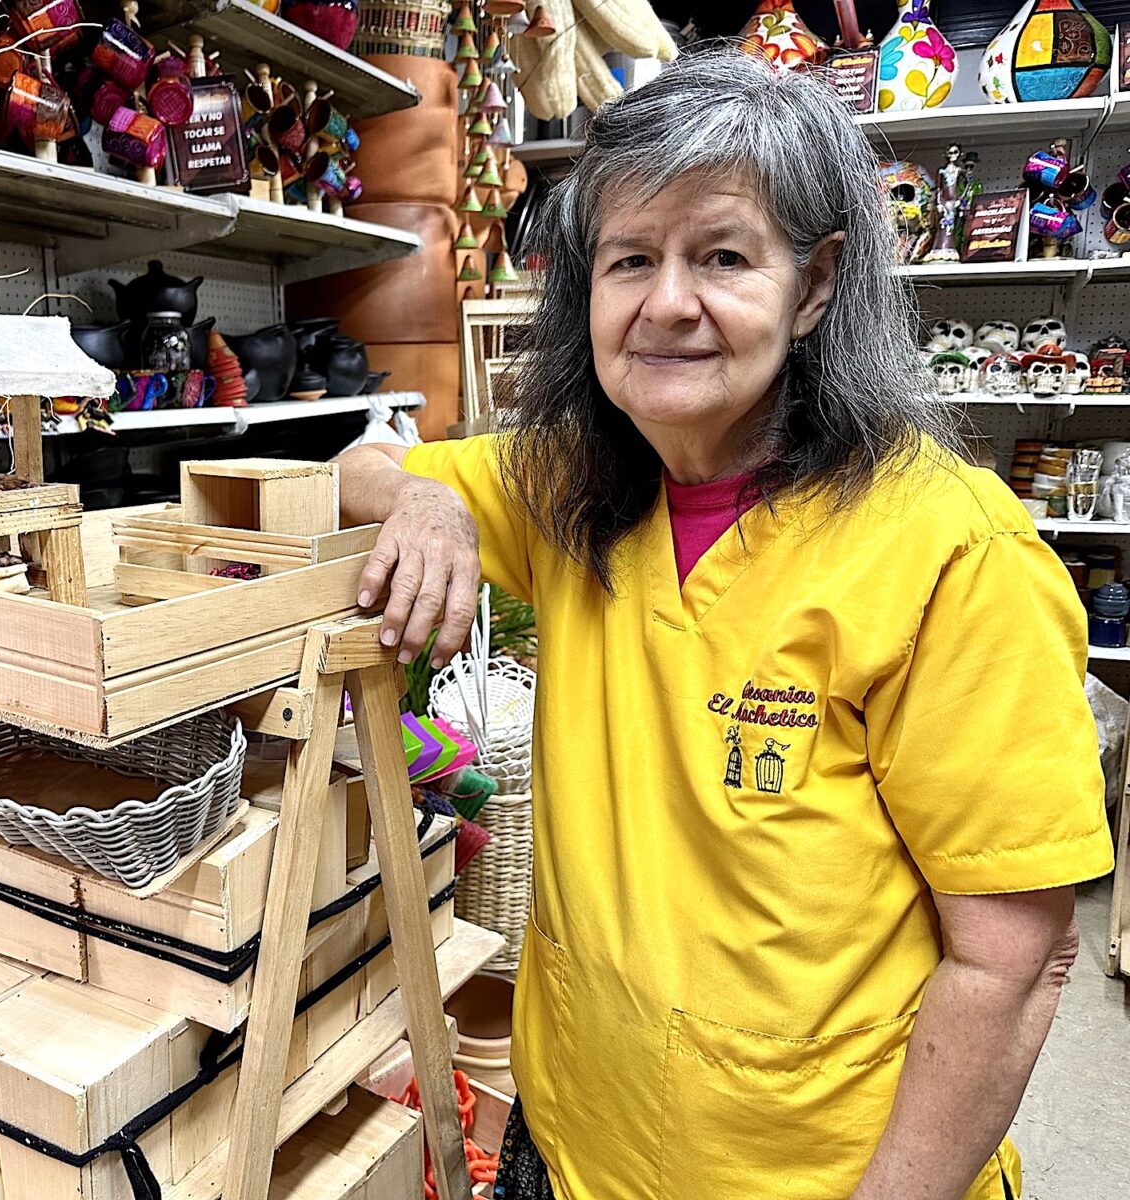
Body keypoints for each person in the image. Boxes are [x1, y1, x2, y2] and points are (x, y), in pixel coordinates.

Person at [336, 50, 1113, 1200]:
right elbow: (361, 463)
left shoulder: (953, 554)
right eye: (629, 260)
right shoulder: (571, 480)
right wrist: (430, 501)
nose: (667, 303)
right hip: (569, 1142)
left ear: (814, 288)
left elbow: (1009, 965)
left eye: (723, 257)